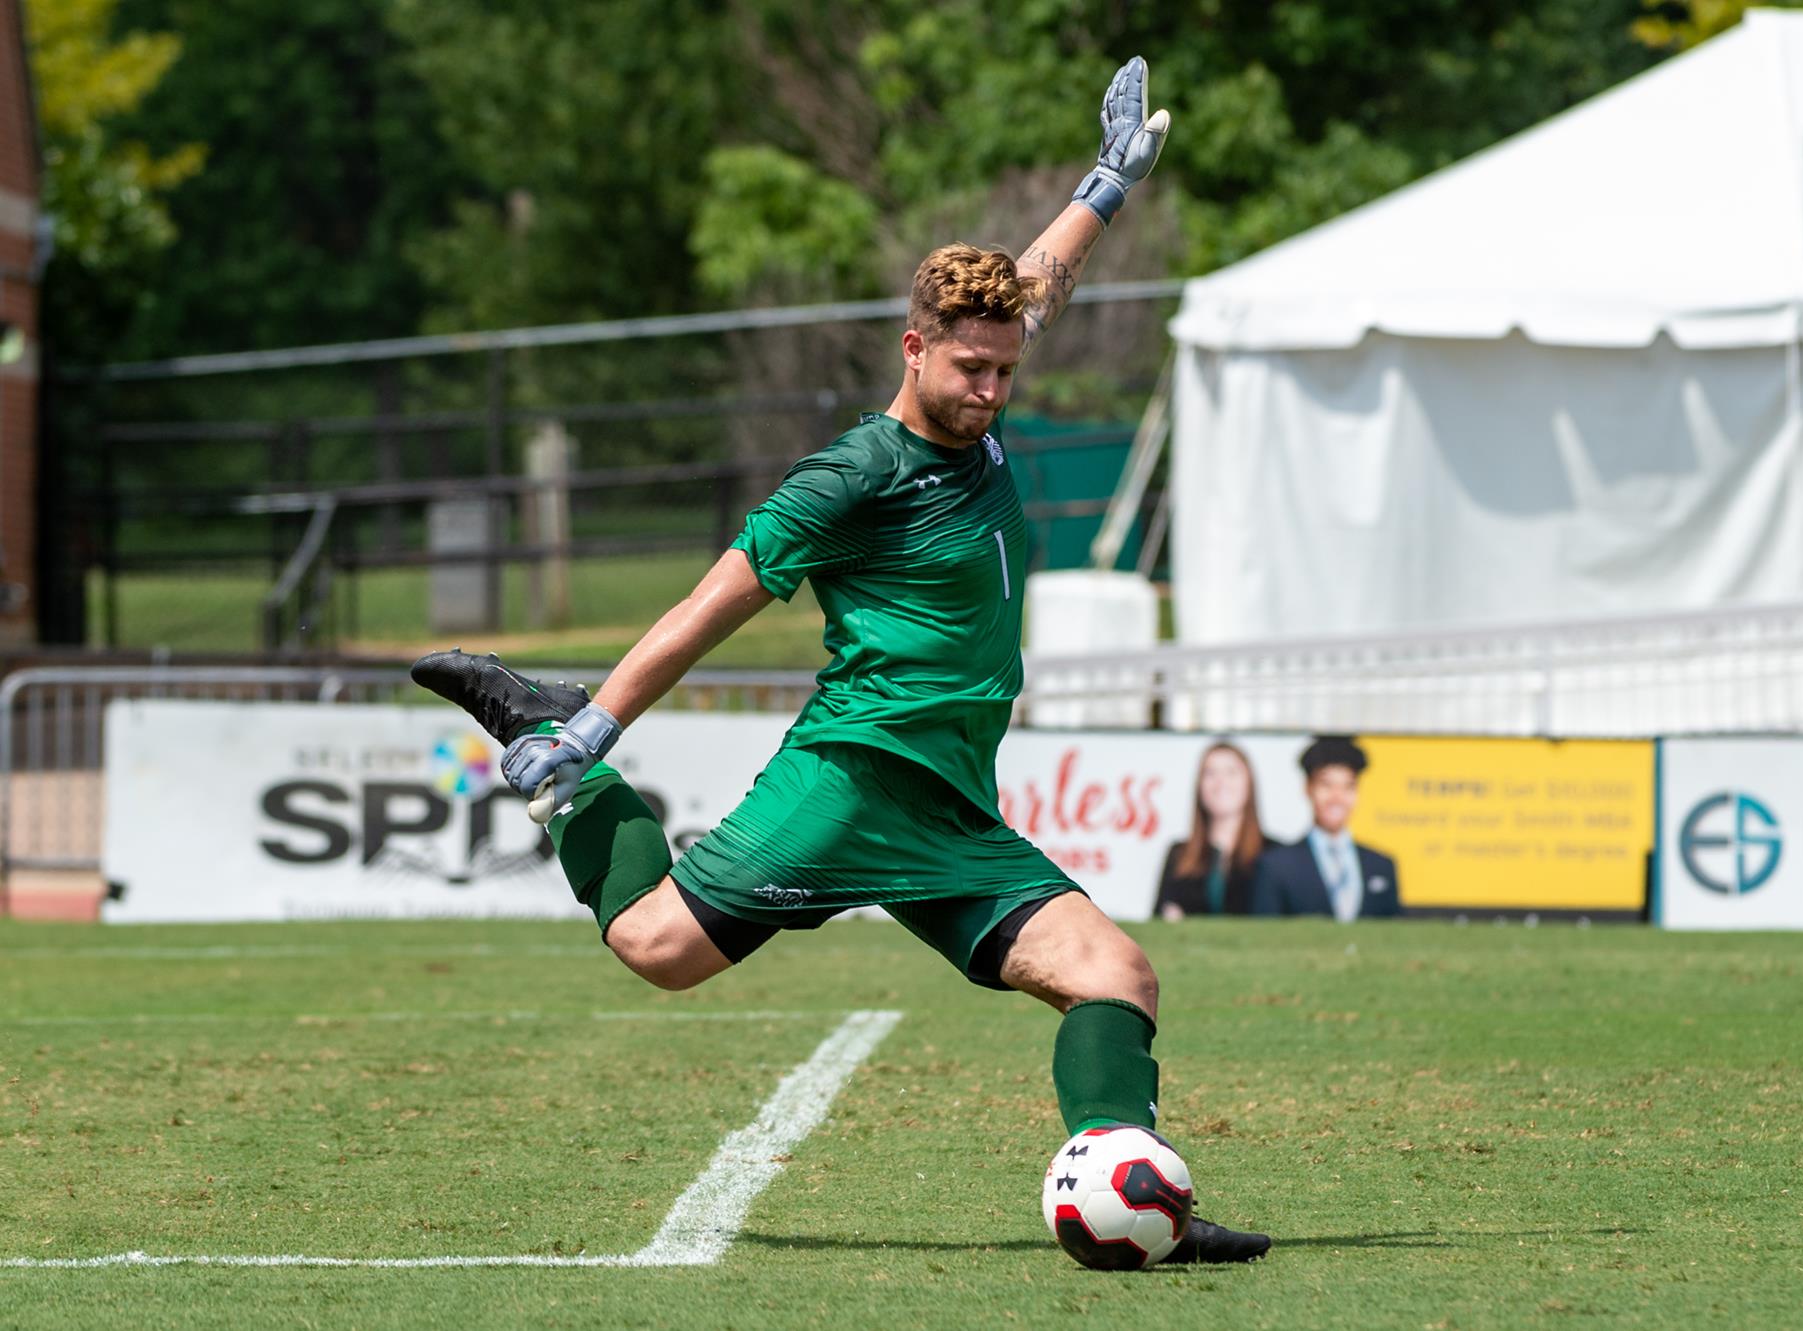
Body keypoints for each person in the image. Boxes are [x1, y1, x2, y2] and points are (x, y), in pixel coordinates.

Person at [412, 59, 1267, 1265]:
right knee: (655, 948)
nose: (988, 387)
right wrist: (594, 726)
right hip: (853, 775)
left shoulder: (985, 390)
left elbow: (1038, 286)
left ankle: (1135, 1196)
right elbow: (712, 602)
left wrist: (1108, 185)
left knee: (1116, 972)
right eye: (967, 367)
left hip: (951, 804)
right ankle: (547, 743)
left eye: (1003, 369)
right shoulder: (852, 474)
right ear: (913, 349)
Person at [1251, 735, 1400, 920]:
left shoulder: (1381, 866)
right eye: (1326, 785)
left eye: (1348, 786)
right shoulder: (1276, 867)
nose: (1337, 797)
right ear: (1307, 788)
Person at [1153, 741, 1265, 919]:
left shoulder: (1274, 855)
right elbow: (1161, 919)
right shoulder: (1179, 855)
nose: (1221, 782)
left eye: (1231, 772)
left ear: (1249, 783)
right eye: (1210, 773)